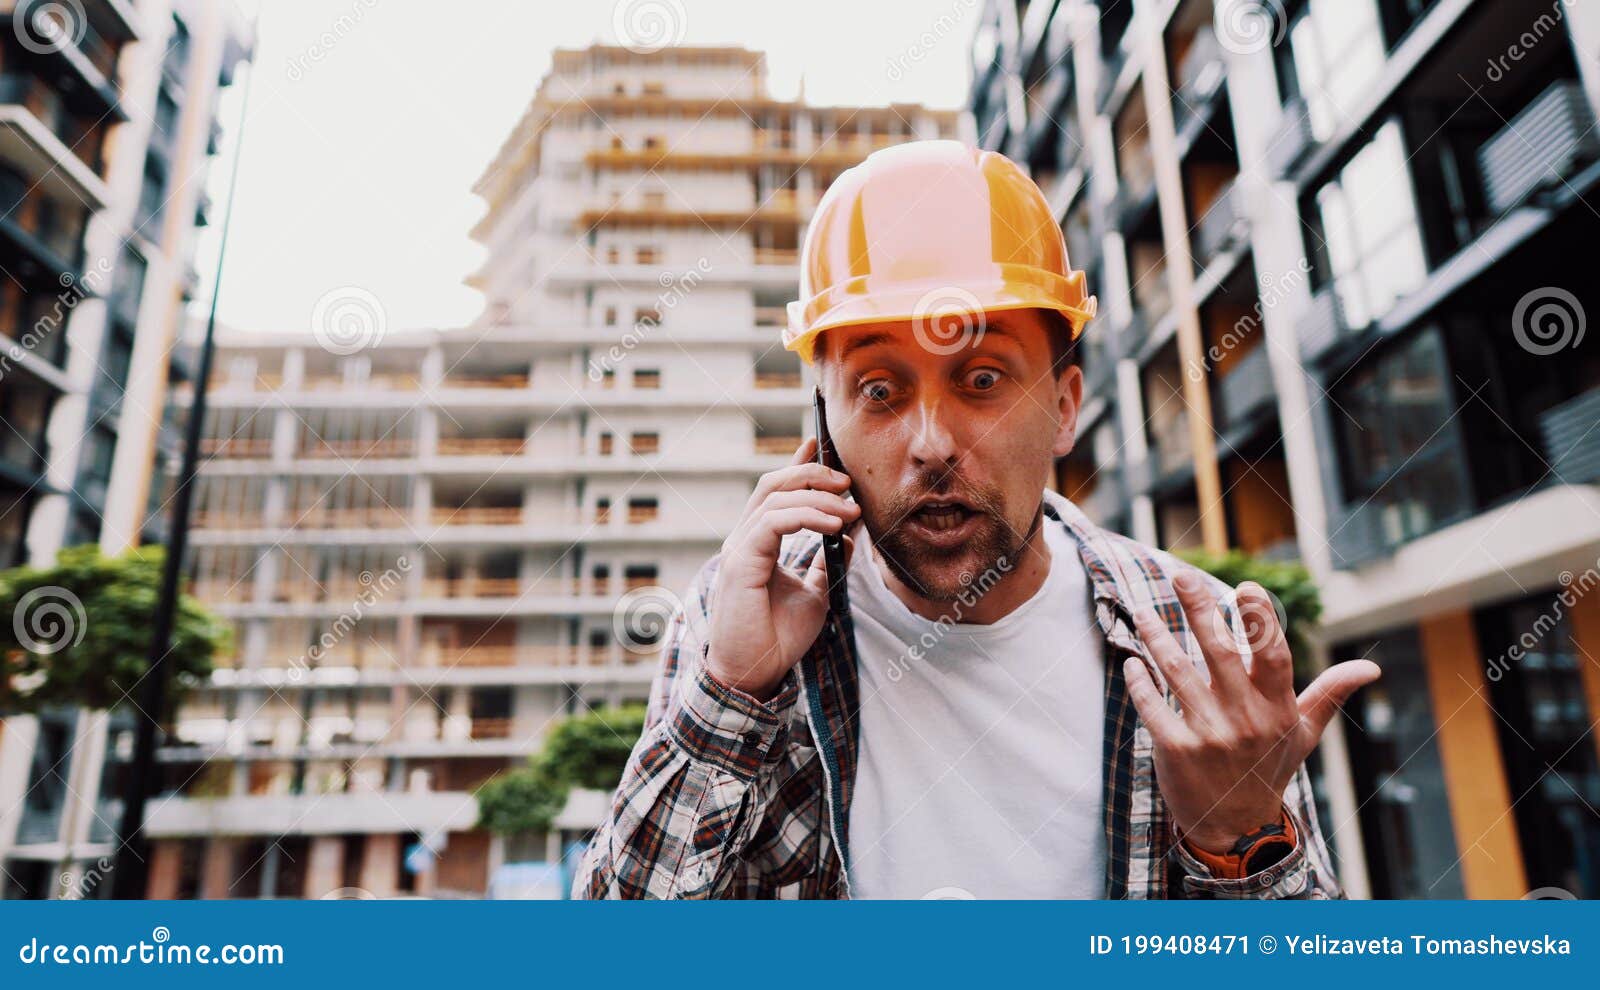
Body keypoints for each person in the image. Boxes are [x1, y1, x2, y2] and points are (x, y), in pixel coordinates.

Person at [572, 140, 1379, 899]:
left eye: (983, 378)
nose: (931, 446)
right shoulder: (736, 620)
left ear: (1064, 409)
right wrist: (732, 698)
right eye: (879, 390)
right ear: (822, 427)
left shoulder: (1193, 637)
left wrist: (1238, 840)